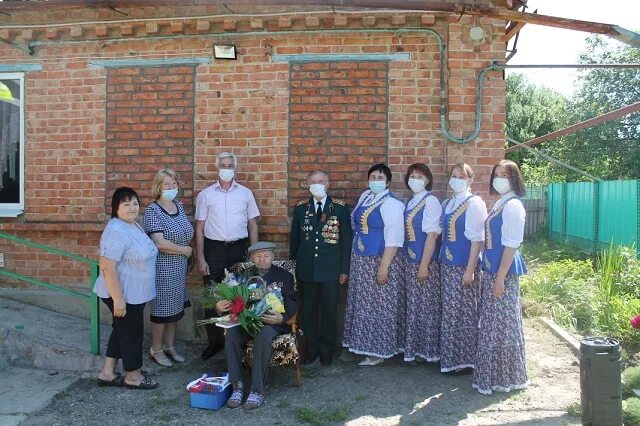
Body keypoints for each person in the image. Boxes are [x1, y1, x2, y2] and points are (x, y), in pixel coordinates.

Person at [217, 241, 298, 409]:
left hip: (271, 323)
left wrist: (281, 319)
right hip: (246, 321)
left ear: (273, 257)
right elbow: (231, 300)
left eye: (266, 256)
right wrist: (218, 307)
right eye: (258, 256)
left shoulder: (284, 276)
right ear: (252, 258)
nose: (263, 260)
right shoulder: (243, 276)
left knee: (264, 336)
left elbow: (292, 302)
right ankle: (237, 386)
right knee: (231, 335)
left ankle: (257, 390)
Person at [195, 152, 260, 360]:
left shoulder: (245, 193)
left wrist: (254, 252)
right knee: (212, 296)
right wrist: (201, 258)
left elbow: (252, 224)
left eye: (230, 165)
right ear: (217, 167)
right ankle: (215, 342)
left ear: (235, 167)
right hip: (214, 249)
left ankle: (241, 341)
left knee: (242, 293)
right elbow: (199, 228)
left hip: (239, 248)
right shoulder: (206, 195)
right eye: (222, 165)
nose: (226, 168)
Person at [473, 159, 529, 395]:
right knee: (492, 324)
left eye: (504, 175)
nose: (499, 178)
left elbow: (512, 244)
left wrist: (499, 278)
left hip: (502, 272)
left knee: (502, 326)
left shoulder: (514, 205)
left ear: (514, 178)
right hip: (492, 269)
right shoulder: (501, 203)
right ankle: (492, 375)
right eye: (496, 174)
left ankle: (504, 377)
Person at [94, 187, 159, 390]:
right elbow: (106, 266)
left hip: (134, 294)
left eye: (135, 203)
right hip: (123, 295)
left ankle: (107, 372)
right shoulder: (116, 230)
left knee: (120, 330)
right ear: (116, 208)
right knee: (132, 334)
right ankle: (133, 377)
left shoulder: (132, 225)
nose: (132, 207)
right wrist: (119, 300)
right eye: (126, 204)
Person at [342, 163, 404, 367]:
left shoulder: (391, 204)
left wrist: (384, 266)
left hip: (379, 259)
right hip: (361, 258)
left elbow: (394, 238)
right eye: (373, 177)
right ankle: (362, 346)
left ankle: (378, 351)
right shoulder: (366, 196)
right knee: (363, 302)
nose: (375, 180)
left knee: (378, 303)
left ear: (387, 181)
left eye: (380, 177)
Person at [290, 171, 353, 366]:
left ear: (328, 184)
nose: (317, 185)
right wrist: (294, 268)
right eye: (313, 182)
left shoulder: (340, 209)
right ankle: (311, 349)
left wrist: (344, 270)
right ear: (308, 184)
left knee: (329, 312)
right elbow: (295, 241)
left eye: (321, 182)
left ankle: (327, 351)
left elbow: (346, 242)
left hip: (331, 271)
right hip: (307, 271)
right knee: (308, 313)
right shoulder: (301, 209)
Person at [438, 163, 488, 373]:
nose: (456, 179)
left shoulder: (474, 203)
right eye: (453, 175)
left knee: (464, 312)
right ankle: (451, 358)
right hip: (447, 264)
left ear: (470, 180)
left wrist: (470, 270)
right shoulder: (448, 203)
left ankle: (465, 360)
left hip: (463, 265)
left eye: (461, 176)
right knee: (450, 311)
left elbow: (477, 239)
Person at [143, 169, 194, 367]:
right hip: (162, 269)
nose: (171, 187)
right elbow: (159, 243)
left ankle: (169, 346)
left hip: (179, 268)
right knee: (161, 311)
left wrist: (185, 252)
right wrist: (184, 250)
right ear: (158, 187)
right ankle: (156, 349)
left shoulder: (178, 206)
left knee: (175, 310)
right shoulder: (152, 210)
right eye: (166, 184)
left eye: (174, 184)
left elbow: (185, 231)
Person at [401, 163, 442, 364]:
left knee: (427, 307)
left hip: (424, 261)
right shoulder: (411, 201)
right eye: (412, 175)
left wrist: (424, 265)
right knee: (415, 306)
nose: (415, 179)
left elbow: (432, 235)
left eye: (420, 176)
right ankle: (415, 350)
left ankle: (429, 352)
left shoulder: (430, 201)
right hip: (410, 260)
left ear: (427, 180)